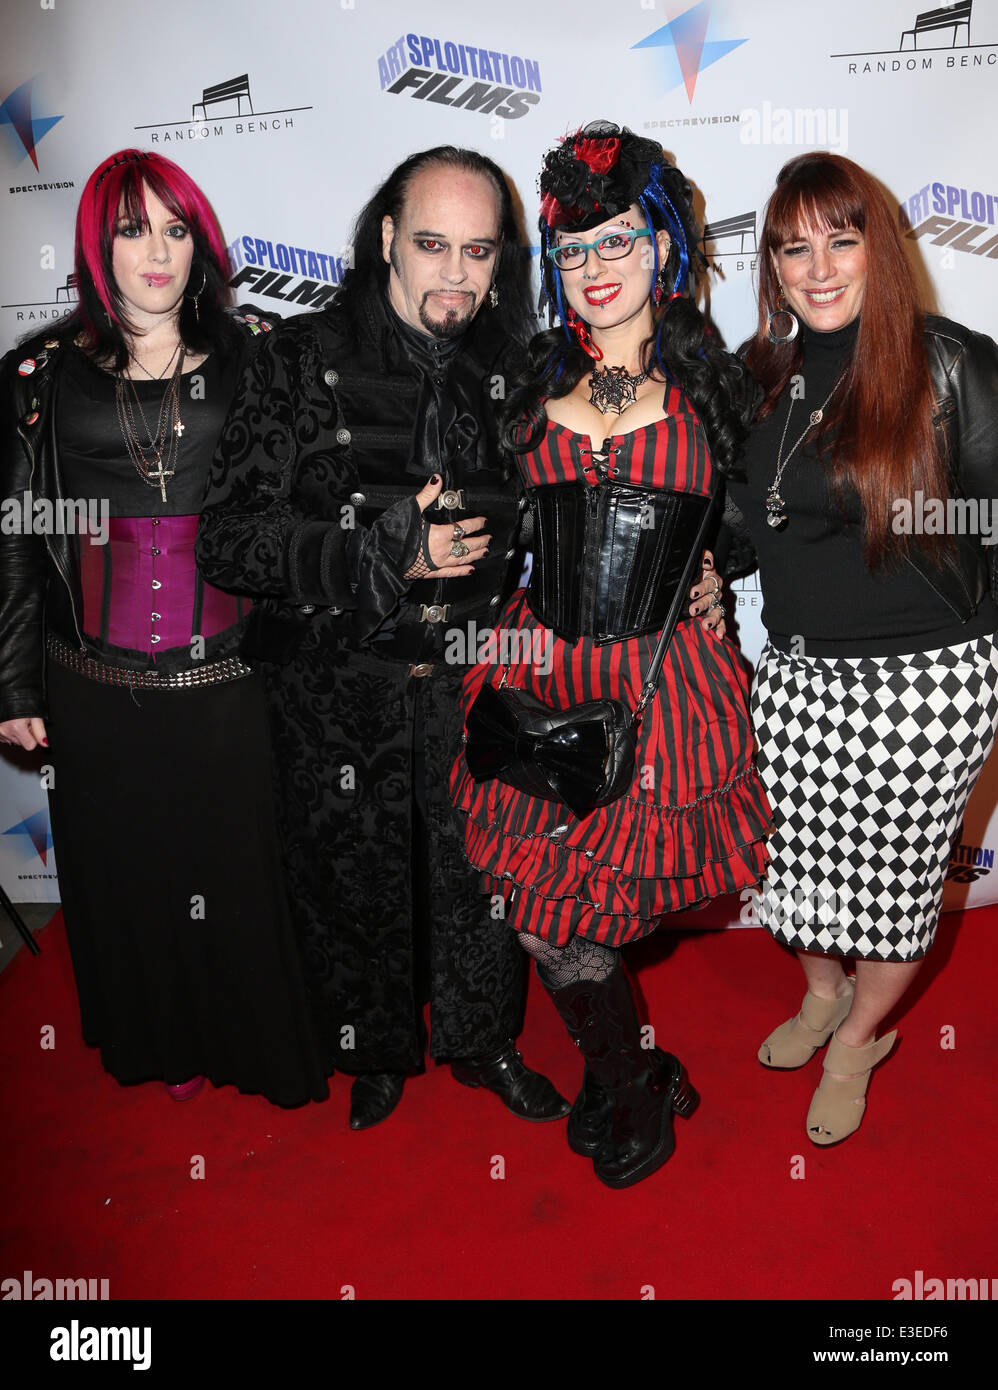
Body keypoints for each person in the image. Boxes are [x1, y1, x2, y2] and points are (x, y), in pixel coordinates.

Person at [196, 146, 568, 1131]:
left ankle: (483, 1040)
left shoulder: (518, 371)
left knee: (477, 876)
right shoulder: (297, 358)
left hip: (470, 680)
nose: (456, 273)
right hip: (334, 685)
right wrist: (382, 550)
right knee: (351, 874)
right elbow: (228, 539)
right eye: (434, 244)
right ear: (387, 239)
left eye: (478, 251)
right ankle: (372, 1047)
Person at [449, 122, 771, 1188]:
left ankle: (629, 1075)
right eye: (574, 247)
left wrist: (713, 574)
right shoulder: (524, 376)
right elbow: (493, 520)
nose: (595, 266)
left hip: (659, 684)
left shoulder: (715, 382)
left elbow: (753, 524)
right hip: (539, 664)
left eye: (617, 239)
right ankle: (631, 1072)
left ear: (663, 245)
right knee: (542, 911)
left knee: (599, 902)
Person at [0, 148, 326, 1106]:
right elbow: (16, 535)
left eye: (175, 230)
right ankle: (162, 1039)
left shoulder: (259, 352)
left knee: (240, 868)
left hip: (233, 675)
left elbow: (311, 501)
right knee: (130, 872)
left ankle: (257, 1043)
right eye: (132, 230)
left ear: (200, 243)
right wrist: (13, 682)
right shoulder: (38, 374)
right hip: (92, 683)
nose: (156, 252)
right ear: (97, 245)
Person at [720, 150, 998, 1145]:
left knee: (892, 893)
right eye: (794, 248)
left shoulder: (949, 364)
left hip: (925, 681)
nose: (819, 268)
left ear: (879, 247)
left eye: (841, 240)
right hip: (795, 675)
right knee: (789, 872)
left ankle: (857, 1037)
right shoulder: (761, 375)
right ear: (772, 267)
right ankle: (821, 992)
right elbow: (752, 518)